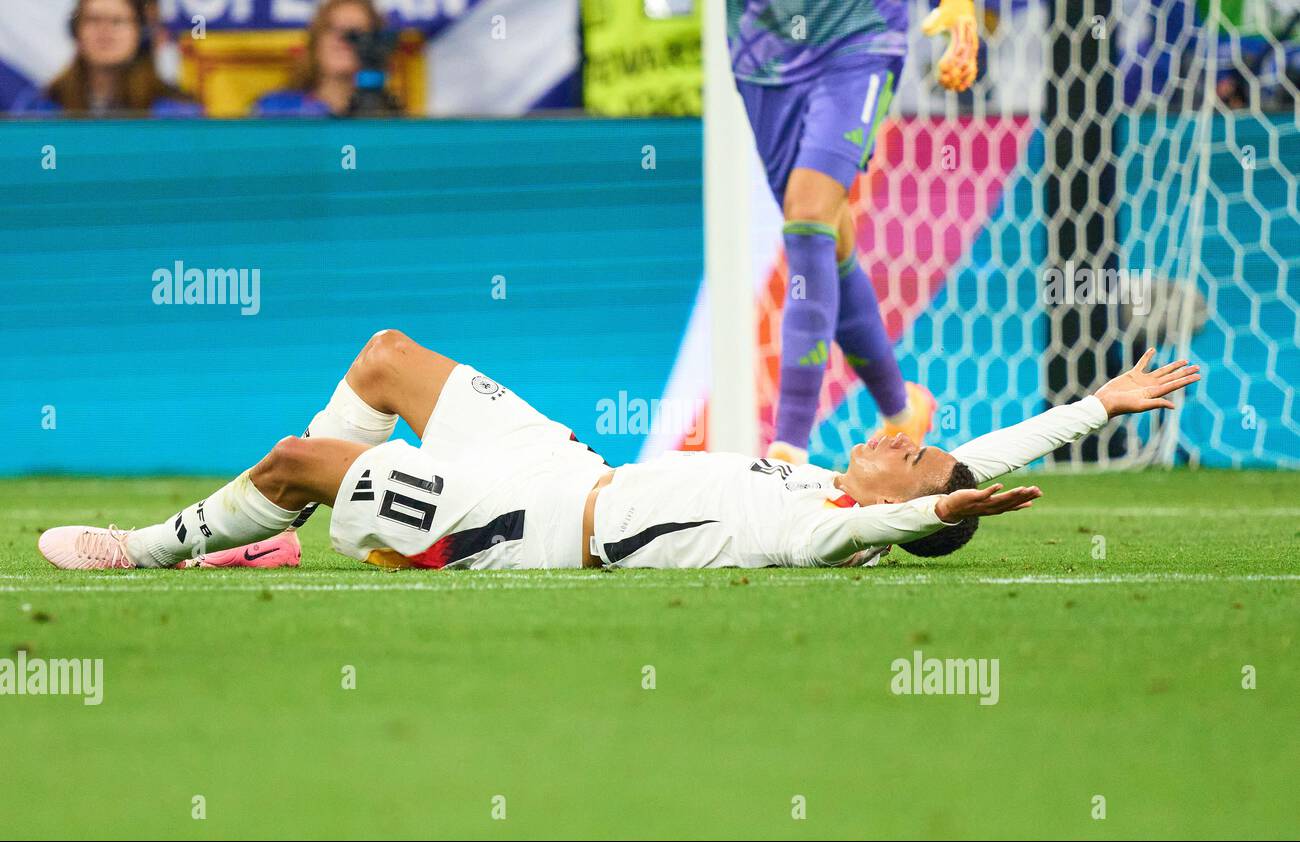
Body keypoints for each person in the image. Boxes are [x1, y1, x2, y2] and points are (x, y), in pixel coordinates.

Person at [38, 331, 1199, 573]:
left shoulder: (827, 525)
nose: (910, 438)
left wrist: (948, 514)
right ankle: (264, 544)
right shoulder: (824, 475)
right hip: (560, 463)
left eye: (920, 457)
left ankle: (144, 552)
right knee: (387, 357)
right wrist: (1095, 403)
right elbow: (970, 454)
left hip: (525, 528)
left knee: (296, 458)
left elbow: (911, 511)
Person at [727, 0, 980, 463]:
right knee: (826, 238)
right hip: (763, 52)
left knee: (806, 222)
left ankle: (787, 452)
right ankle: (902, 412)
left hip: (859, 35)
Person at [8, 0, 199, 118]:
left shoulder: (177, 112)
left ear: (140, 35)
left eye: (118, 21)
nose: (105, 30)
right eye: (93, 19)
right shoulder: (39, 107)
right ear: (76, 31)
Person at [252, 0, 396, 118]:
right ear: (315, 43)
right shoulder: (276, 109)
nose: (342, 40)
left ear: (377, 44)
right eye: (332, 29)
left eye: (354, 33)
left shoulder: (389, 117)